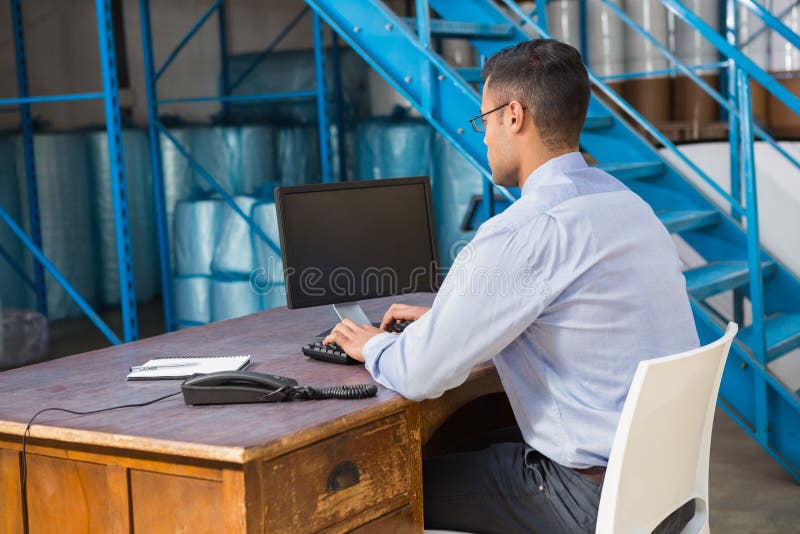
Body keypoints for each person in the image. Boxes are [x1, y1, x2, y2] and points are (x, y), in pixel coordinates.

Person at [323, 39, 698, 533]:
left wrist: (372, 344)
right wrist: (446, 322)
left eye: (483, 121)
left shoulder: (524, 231)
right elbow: (575, 313)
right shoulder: (630, 207)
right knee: (463, 441)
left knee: (379, 490)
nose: (483, 138)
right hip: (665, 490)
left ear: (513, 116)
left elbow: (417, 375)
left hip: (587, 500)